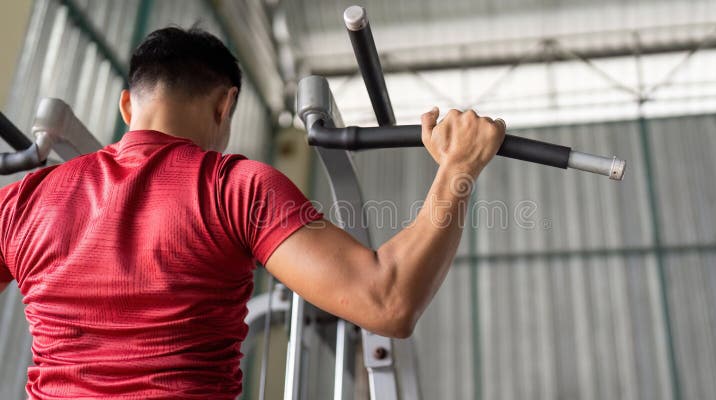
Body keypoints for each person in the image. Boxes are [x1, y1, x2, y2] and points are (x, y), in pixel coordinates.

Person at [0, 27, 505, 399]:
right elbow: (388, 300)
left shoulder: (22, 200)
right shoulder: (236, 189)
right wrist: (458, 168)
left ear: (128, 107)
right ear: (226, 105)